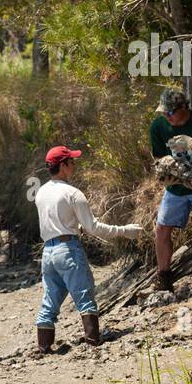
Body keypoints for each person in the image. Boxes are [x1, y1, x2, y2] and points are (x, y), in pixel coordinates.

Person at [33, 146, 141, 352]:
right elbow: (94, 228)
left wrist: (75, 226)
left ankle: (43, 347)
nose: (74, 165)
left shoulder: (41, 192)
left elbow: (57, 221)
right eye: (71, 161)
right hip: (68, 249)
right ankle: (93, 341)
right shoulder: (73, 193)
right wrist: (125, 231)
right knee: (85, 296)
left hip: (48, 253)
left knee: (50, 300)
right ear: (63, 166)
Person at [149, 89, 192, 292]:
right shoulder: (159, 126)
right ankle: (164, 276)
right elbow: (158, 157)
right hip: (175, 189)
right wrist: (165, 174)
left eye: (171, 112)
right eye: (164, 113)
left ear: (184, 107)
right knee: (161, 229)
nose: (167, 117)